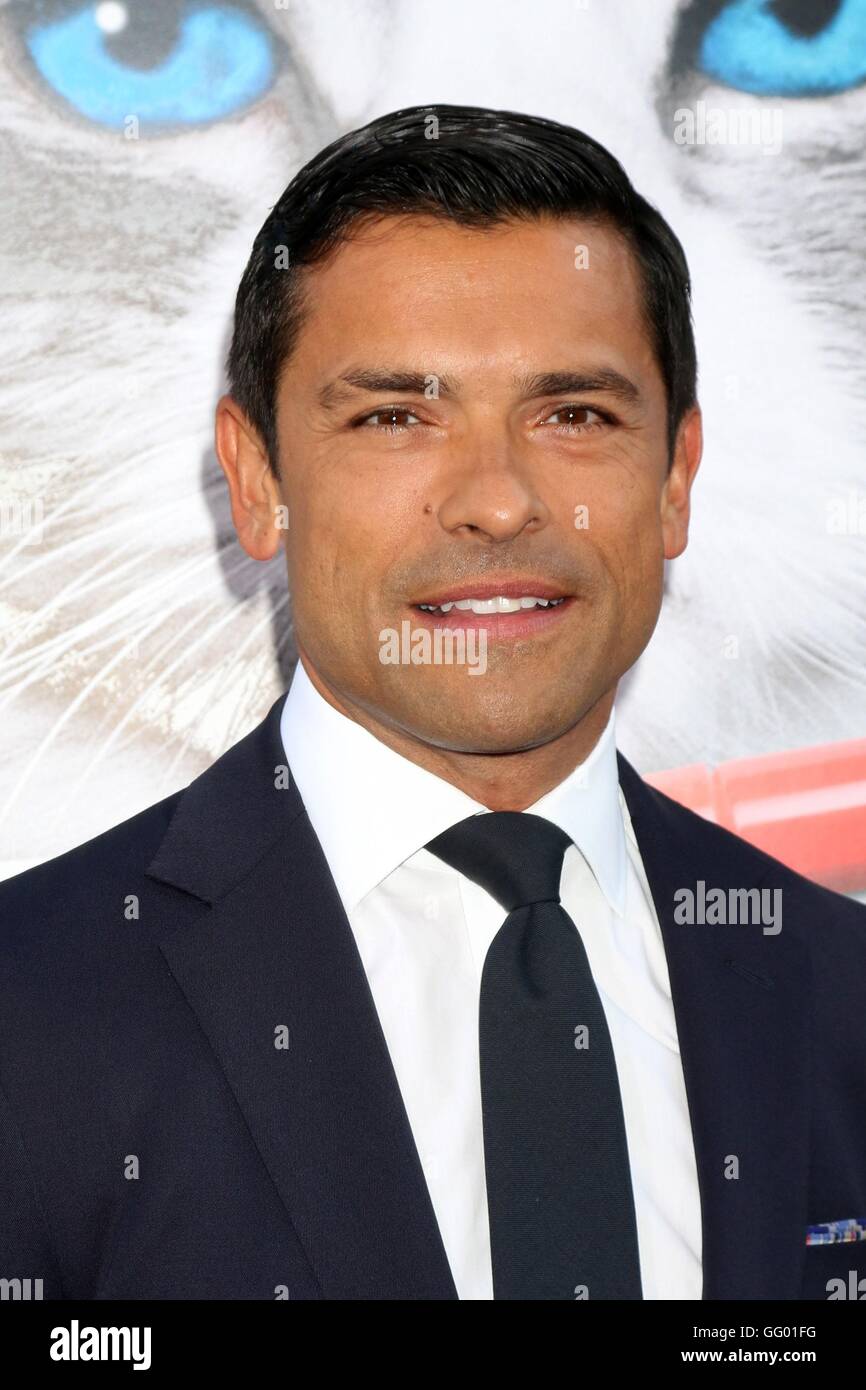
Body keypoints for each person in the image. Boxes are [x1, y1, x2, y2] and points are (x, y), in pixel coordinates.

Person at [1, 104, 864, 1302]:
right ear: (256, 482)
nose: (497, 502)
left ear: (672, 479)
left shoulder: (836, 989)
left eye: (573, 415)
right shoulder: (27, 1004)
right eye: (395, 418)